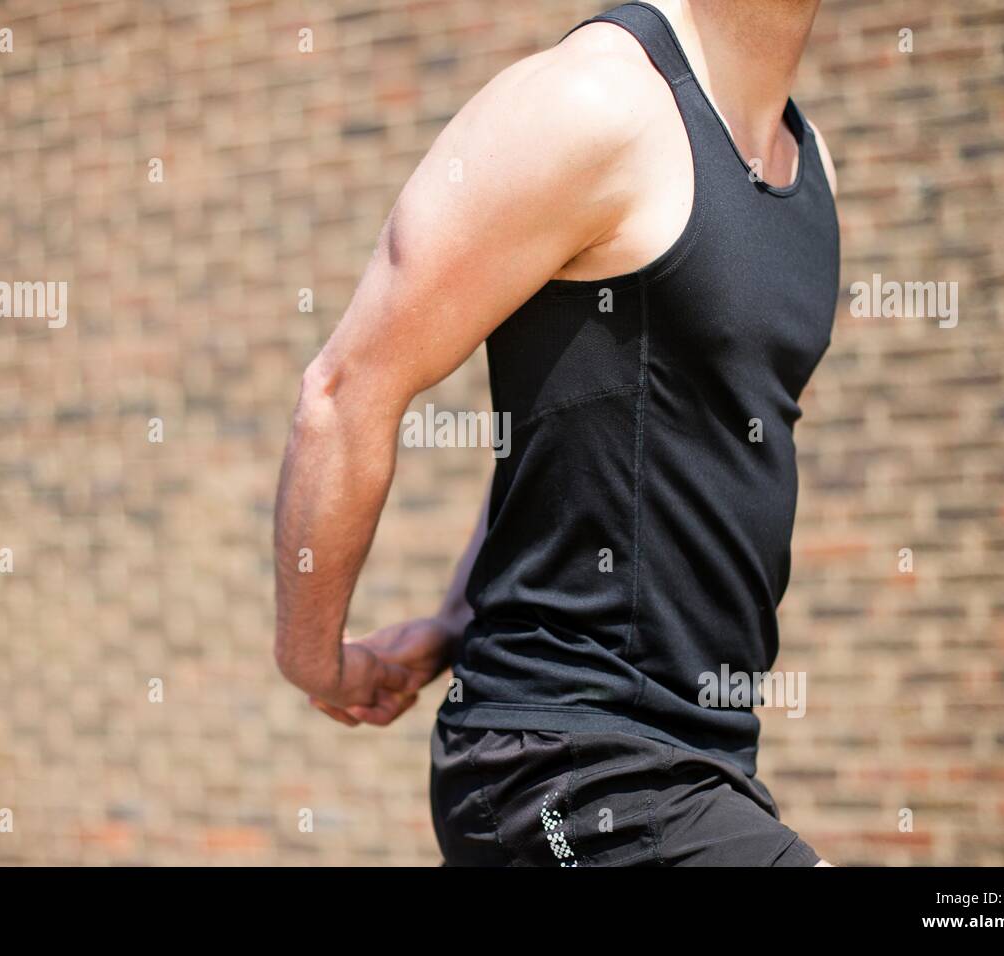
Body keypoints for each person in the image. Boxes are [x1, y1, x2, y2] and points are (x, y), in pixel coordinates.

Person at [274, 0, 839, 866]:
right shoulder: (594, 103)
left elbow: (571, 431)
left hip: (710, 760)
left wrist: (454, 618)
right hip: (562, 768)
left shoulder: (811, 167)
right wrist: (314, 661)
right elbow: (344, 392)